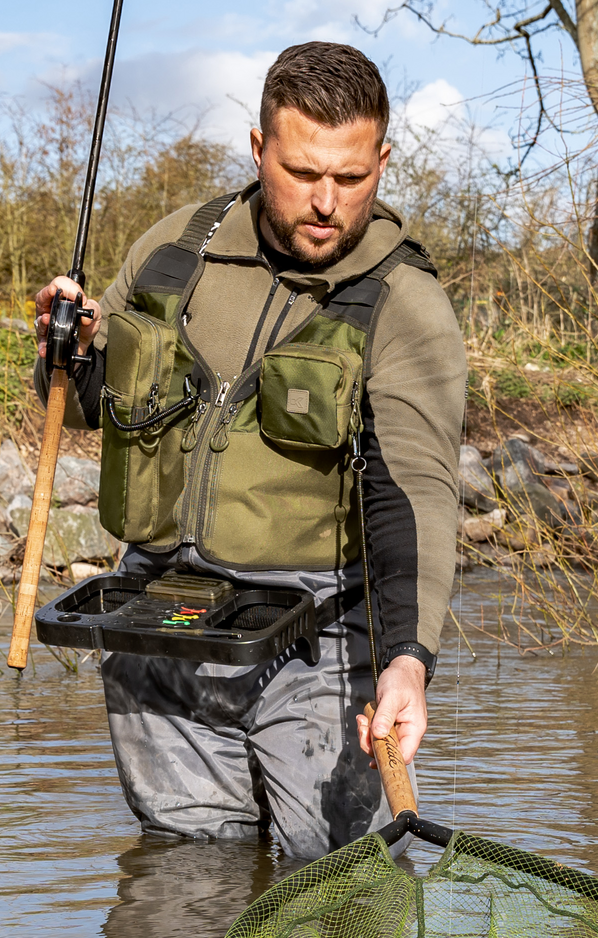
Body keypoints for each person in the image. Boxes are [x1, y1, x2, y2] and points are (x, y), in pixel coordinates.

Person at [33, 42, 468, 861]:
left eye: (351, 177)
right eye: (303, 173)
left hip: (322, 646)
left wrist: (408, 663)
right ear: (259, 147)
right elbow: (90, 407)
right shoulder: (172, 251)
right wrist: (73, 349)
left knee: (344, 903)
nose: (327, 203)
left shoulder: (407, 303)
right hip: (158, 628)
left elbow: (418, 494)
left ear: (383, 158)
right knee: (183, 887)